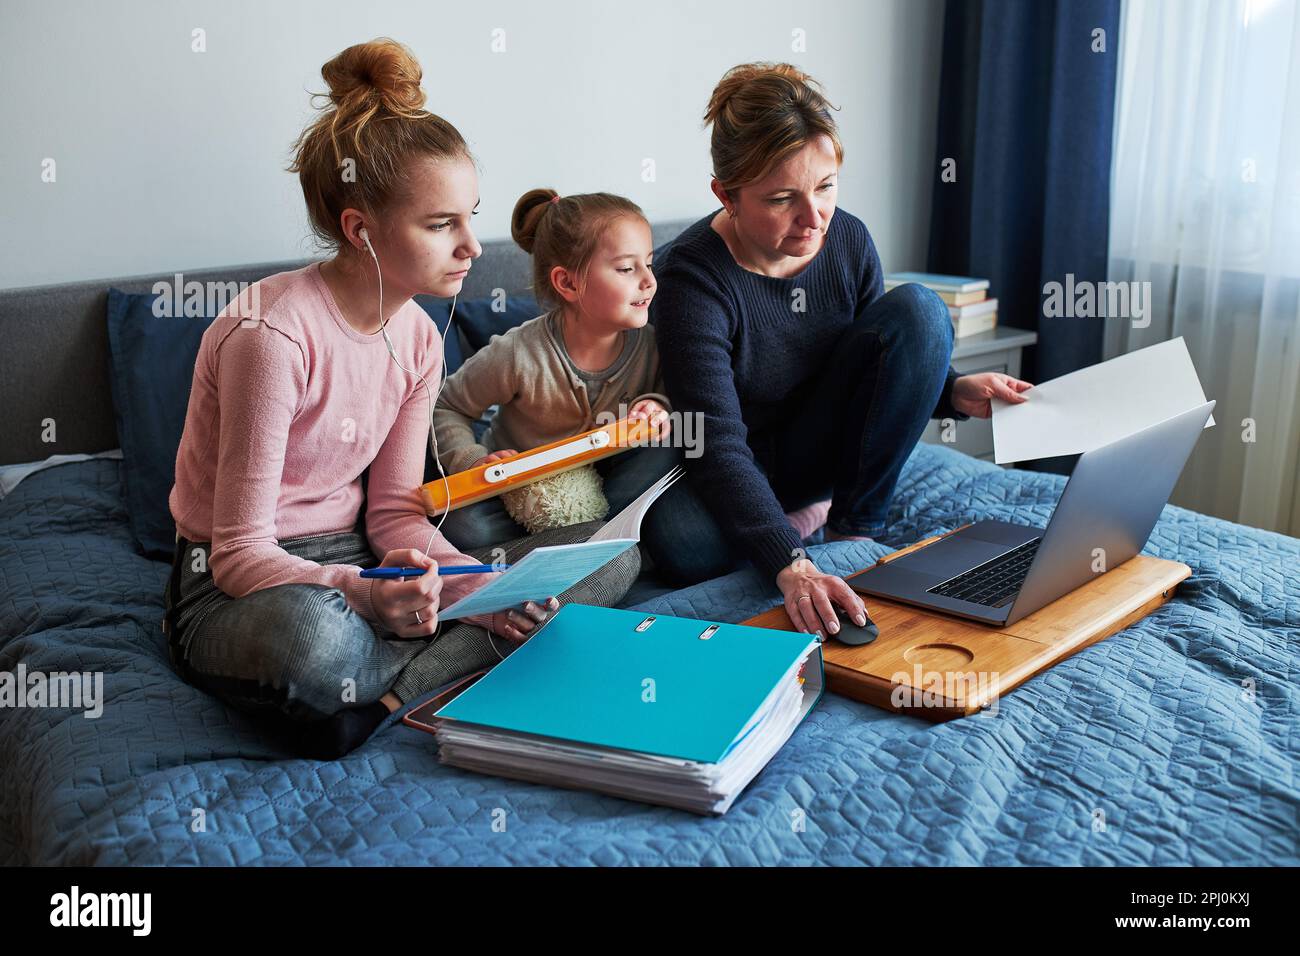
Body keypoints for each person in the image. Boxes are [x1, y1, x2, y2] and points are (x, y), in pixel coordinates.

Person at [162, 39, 639, 758]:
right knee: (315, 643)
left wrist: (471, 591)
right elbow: (236, 555)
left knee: (612, 558)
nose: (473, 246)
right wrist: (363, 592)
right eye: (442, 224)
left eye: (469, 216)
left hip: (365, 554)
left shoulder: (417, 334)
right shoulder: (272, 338)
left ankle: (385, 694)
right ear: (361, 230)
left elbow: (391, 513)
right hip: (243, 584)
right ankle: (420, 663)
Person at [646, 62, 1031, 639]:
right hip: (736, 458)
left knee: (921, 308)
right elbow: (714, 440)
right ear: (725, 194)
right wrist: (790, 563)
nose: (813, 217)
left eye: (825, 187)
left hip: (814, 450)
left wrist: (952, 391)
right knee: (683, 543)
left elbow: (877, 352)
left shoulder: (846, 238)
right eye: (782, 199)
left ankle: (853, 530)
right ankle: (797, 522)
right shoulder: (691, 279)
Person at [434, 189, 675, 552]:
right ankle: (592, 538)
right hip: (522, 491)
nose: (648, 280)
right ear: (568, 283)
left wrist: (656, 406)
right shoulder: (518, 353)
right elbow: (446, 406)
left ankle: (587, 533)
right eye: (627, 268)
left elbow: (670, 395)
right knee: (464, 526)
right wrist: (473, 461)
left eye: (650, 264)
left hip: (605, 480)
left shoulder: (651, 345)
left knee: (674, 444)